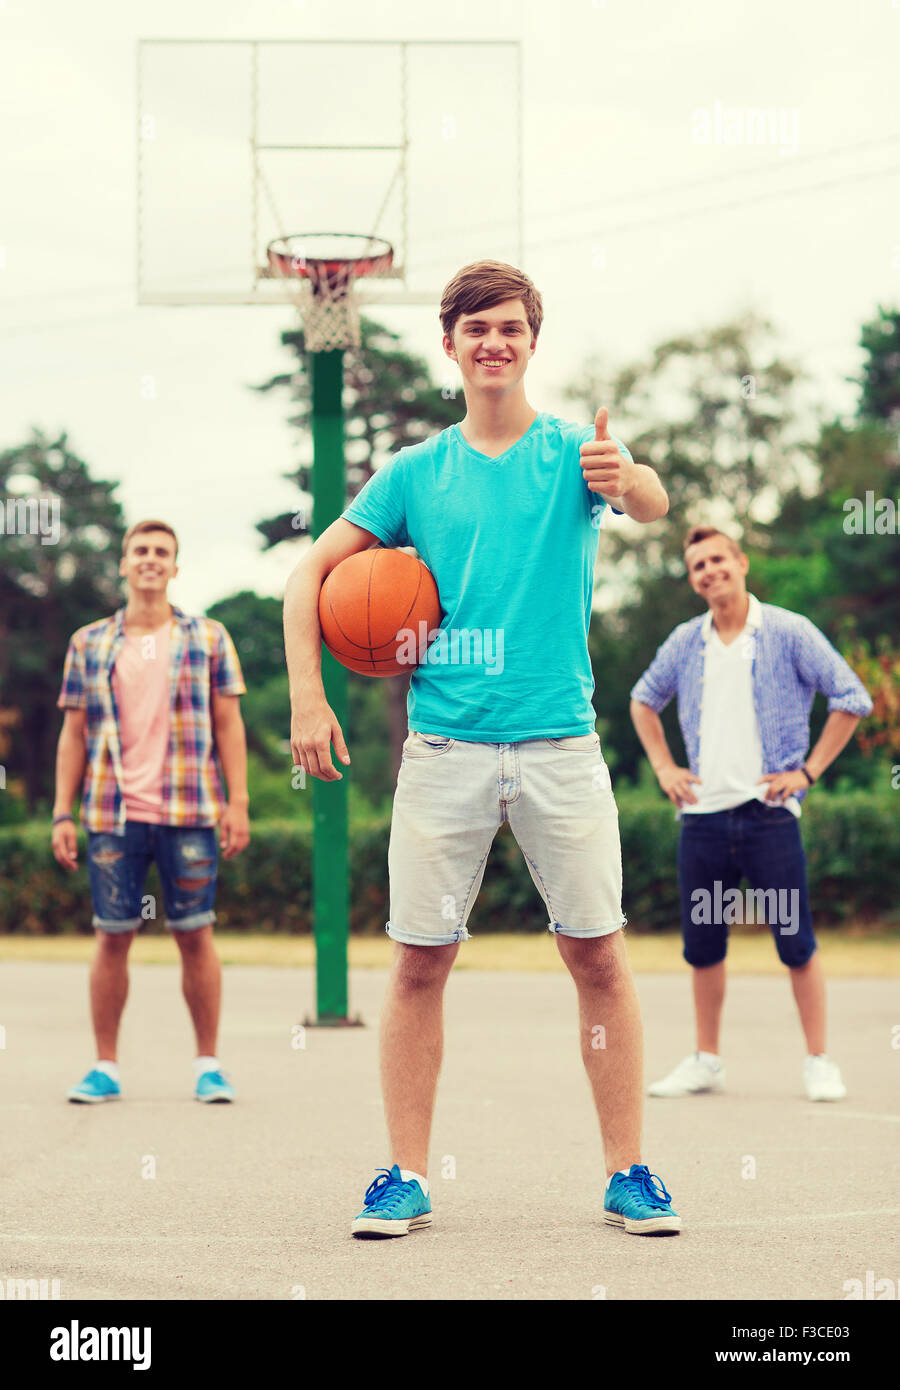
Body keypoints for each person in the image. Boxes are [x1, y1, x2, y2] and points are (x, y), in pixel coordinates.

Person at [284, 260, 680, 1238]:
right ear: (451, 344)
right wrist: (307, 696)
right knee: (419, 963)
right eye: (477, 329)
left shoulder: (572, 456)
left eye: (511, 328)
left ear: (531, 342)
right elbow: (308, 580)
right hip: (445, 752)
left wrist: (623, 476)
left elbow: (654, 500)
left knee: (598, 955)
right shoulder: (415, 474)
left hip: (560, 747)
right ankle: (405, 1175)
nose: (494, 342)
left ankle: (630, 1171)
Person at [630, 526, 873, 1103]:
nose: (709, 571)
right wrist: (665, 768)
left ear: (741, 563)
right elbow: (643, 699)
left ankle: (819, 1061)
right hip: (703, 818)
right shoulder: (687, 641)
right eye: (697, 566)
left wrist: (808, 772)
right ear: (692, 580)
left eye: (718, 559)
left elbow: (851, 697)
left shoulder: (788, 631)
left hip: (769, 816)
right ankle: (706, 1060)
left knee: (795, 942)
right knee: (704, 945)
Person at [52, 520, 250, 1104]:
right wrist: (62, 811)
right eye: (140, 550)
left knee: (196, 933)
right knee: (113, 935)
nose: (150, 559)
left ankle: (209, 1065)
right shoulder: (89, 642)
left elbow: (228, 724)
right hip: (113, 813)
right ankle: (105, 1067)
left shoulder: (209, 637)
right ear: (123, 563)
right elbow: (73, 733)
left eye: (162, 552)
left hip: (189, 808)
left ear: (175, 567)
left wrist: (237, 802)